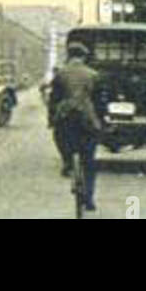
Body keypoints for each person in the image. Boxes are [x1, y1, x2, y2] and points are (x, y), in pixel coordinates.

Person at [48, 42, 103, 212]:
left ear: (69, 56)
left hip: (66, 117)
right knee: (90, 161)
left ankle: (67, 162)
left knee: (59, 137)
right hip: (87, 120)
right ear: (84, 57)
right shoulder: (94, 75)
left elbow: (53, 99)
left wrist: (51, 118)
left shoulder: (60, 74)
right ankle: (89, 198)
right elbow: (99, 102)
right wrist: (100, 121)